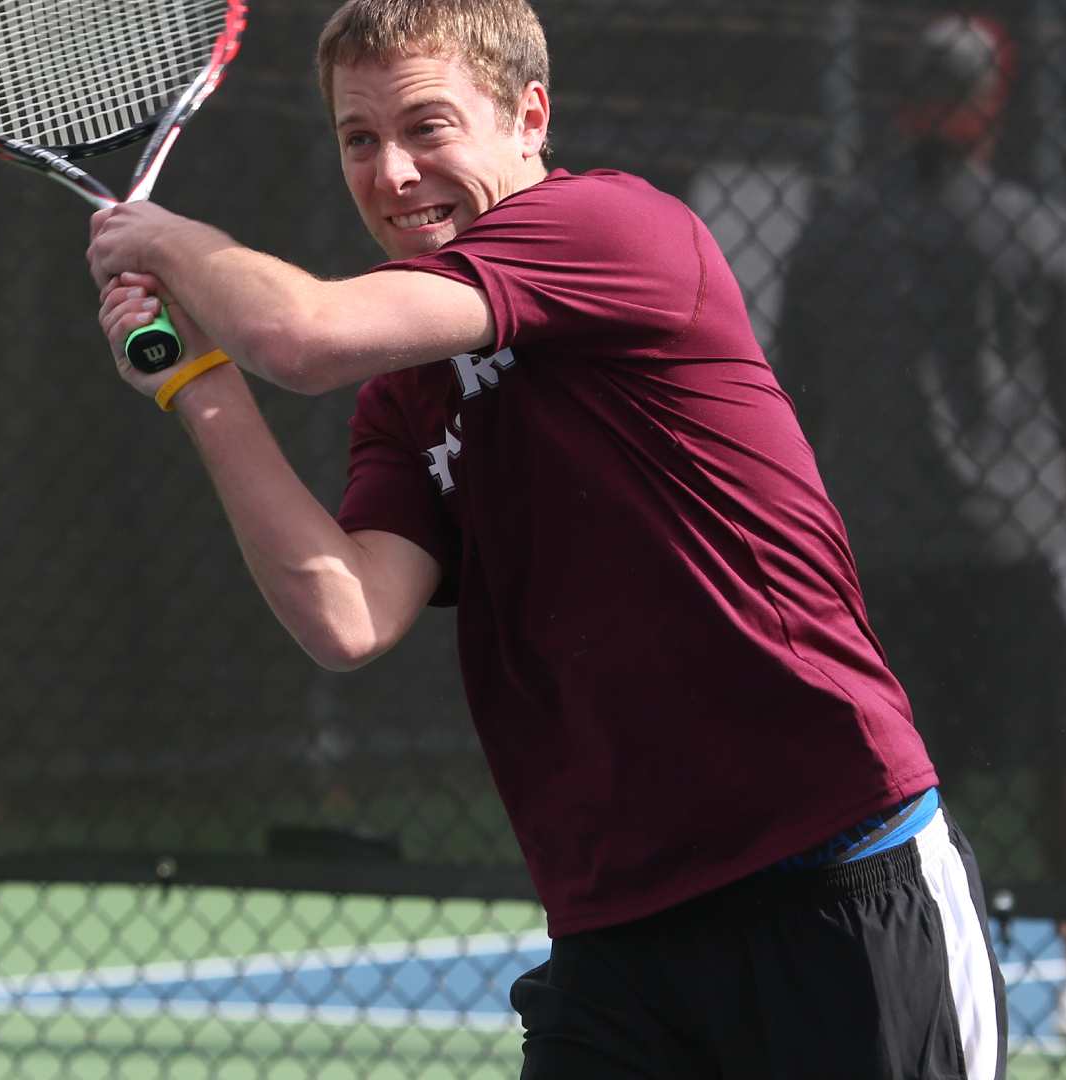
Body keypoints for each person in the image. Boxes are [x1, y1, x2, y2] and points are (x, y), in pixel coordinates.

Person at [88, 1, 1002, 1075]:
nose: (391, 173)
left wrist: (166, 239)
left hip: (833, 881)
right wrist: (199, 385)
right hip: (618, 934)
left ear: (530, 118)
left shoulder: (617, 229)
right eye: (359, 139)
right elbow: (346, 612)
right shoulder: (405, 396)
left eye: (428, 128)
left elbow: (300, 331)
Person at [775, 15, 1066, 1051]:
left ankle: (880, 969)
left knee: (882, 767)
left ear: (904, 104)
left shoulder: (839, 231)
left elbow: (791, 394)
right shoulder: (1039, 228)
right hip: (1003, 539)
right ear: (992, 105)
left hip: (881, 545)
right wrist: (1052, 505)